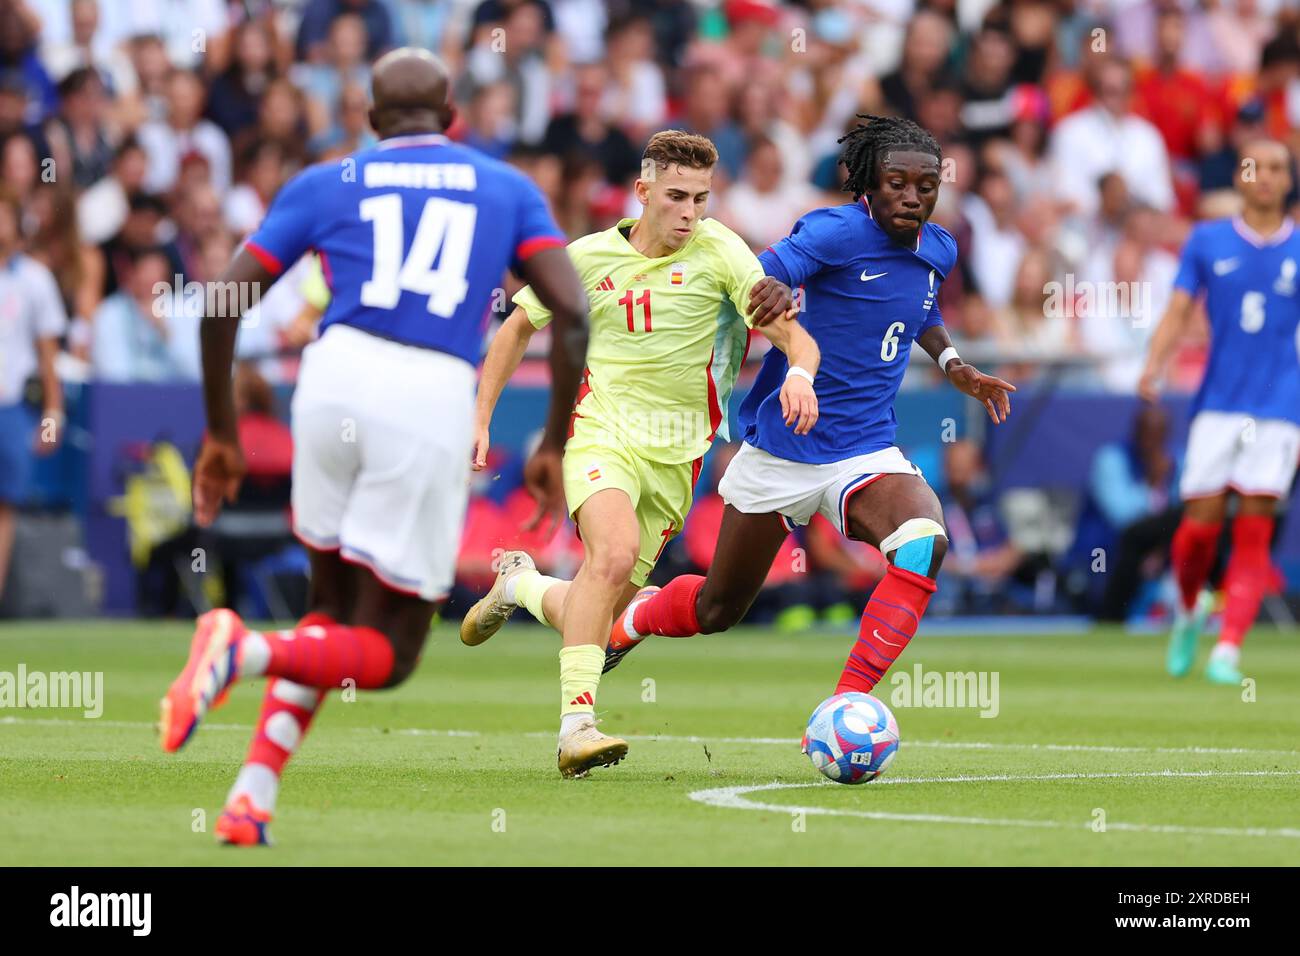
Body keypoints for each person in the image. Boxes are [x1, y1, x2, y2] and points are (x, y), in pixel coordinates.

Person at [157, 48, 590, 846]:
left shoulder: (329, 181)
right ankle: (240, 646)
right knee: (388, 655)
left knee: (329, 617)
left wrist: (221, 432)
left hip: (330, 381)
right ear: (453, 113)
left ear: (369, 118)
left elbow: (222, 303)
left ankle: (250, 799)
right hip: (424, 394)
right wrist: (555, 442)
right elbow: (571, 312)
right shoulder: (504, 187)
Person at [601, 117, 1015, 705]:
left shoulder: (940, 248)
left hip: (867, 448)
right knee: (719, 607)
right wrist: (771, 287)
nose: (912, 196)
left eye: (926, 186)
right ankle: (638, 618)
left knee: (924, 540)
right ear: (869, 183)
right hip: (783, 446)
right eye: (897, 182)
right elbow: (766, 273)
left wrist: (953, 364)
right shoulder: (835, 232)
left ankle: (849, 701)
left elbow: (919, 310)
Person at [461, 130, 813, 777]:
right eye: (676, 196)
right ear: (643, 192)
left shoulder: (723, 254)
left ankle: (518, 582)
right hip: (601, 434)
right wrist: (480, 417)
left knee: (598, 602)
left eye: (702, 199)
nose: (690, 212)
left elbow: (795, 337)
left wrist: (799, 374)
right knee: (613, 554)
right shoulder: (588, 258)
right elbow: (515, 328)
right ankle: (577, 729)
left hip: (678, 461)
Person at [1139, 137, 1300, 685]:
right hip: (1219, 403)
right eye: (1256, 165)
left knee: (1255, 527)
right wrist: (1154, 365)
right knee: (1199, 529)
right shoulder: (1207, 241)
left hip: (1281, 407)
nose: (1267, 176)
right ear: (1239, 177)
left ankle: (1229, 648)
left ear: (1288, 178)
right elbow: (1180, 308)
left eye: (1279, 166)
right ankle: (1190, 609)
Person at [0, 185, 66, 603]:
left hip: (12, 410)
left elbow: (47, 356)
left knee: (5, 507)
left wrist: (52, 414)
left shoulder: (36, 279)